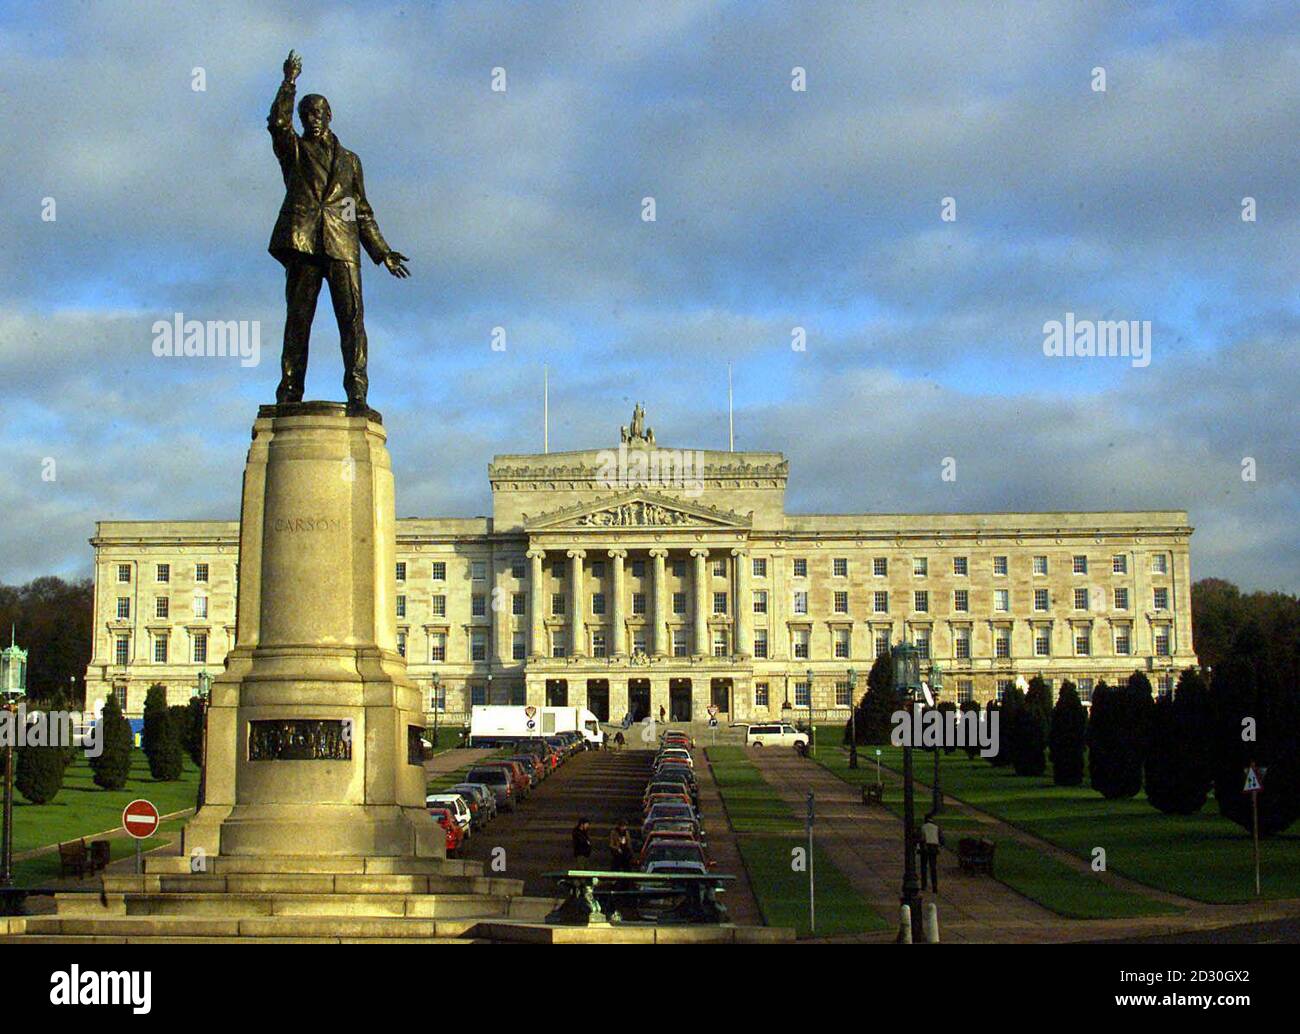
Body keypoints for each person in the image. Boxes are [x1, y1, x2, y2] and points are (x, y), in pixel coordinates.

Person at [920, 813, 942, 892]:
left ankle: (924, 885)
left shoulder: (923, 827)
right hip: (934, 847)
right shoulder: (936, 827)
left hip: (926, 846)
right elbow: (940, 838)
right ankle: (934, 887)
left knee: (924, 867)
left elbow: (922, 838)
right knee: (933, 868)